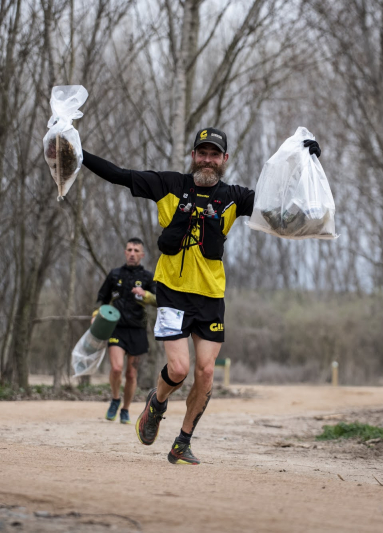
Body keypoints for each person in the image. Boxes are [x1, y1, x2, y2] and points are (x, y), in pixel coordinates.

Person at [82, 128, 320, 464]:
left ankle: (183, 441)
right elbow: (119, 175)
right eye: (201, 153)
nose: (207, 160)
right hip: (171, 292)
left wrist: (302, 163)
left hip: (210, 296)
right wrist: (78, 152)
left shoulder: (235, 196)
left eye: (214, 154)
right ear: (194, 156)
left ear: (224, 159)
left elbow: (278, 205)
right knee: (179, 369)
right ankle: (157, 402)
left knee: (206, 373)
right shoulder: (169, 185)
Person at [95, 238, 156, 424]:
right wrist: (96, 314)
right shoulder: (114, 274)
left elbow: (158, 300)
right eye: (129, 249)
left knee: (131, 374)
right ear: (125, 252)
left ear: (142, 255)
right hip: (116, 328)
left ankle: (125, 409)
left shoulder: (147, 277)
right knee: (116, 368)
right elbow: (102, 298)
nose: (132, 253)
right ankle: (115, 399)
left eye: (136, 250)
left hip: (137, 330)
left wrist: (144, 294)